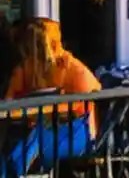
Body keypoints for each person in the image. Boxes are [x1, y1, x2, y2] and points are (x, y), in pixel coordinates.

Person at [3, 19, 100, 176]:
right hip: (48, 130)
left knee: (34, 135)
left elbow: (80, 103)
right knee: (19, 136)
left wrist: (40, 108)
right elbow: (9, 101)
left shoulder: (73, 69)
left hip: (76, 134)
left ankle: (12, 172)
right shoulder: (30, 68)